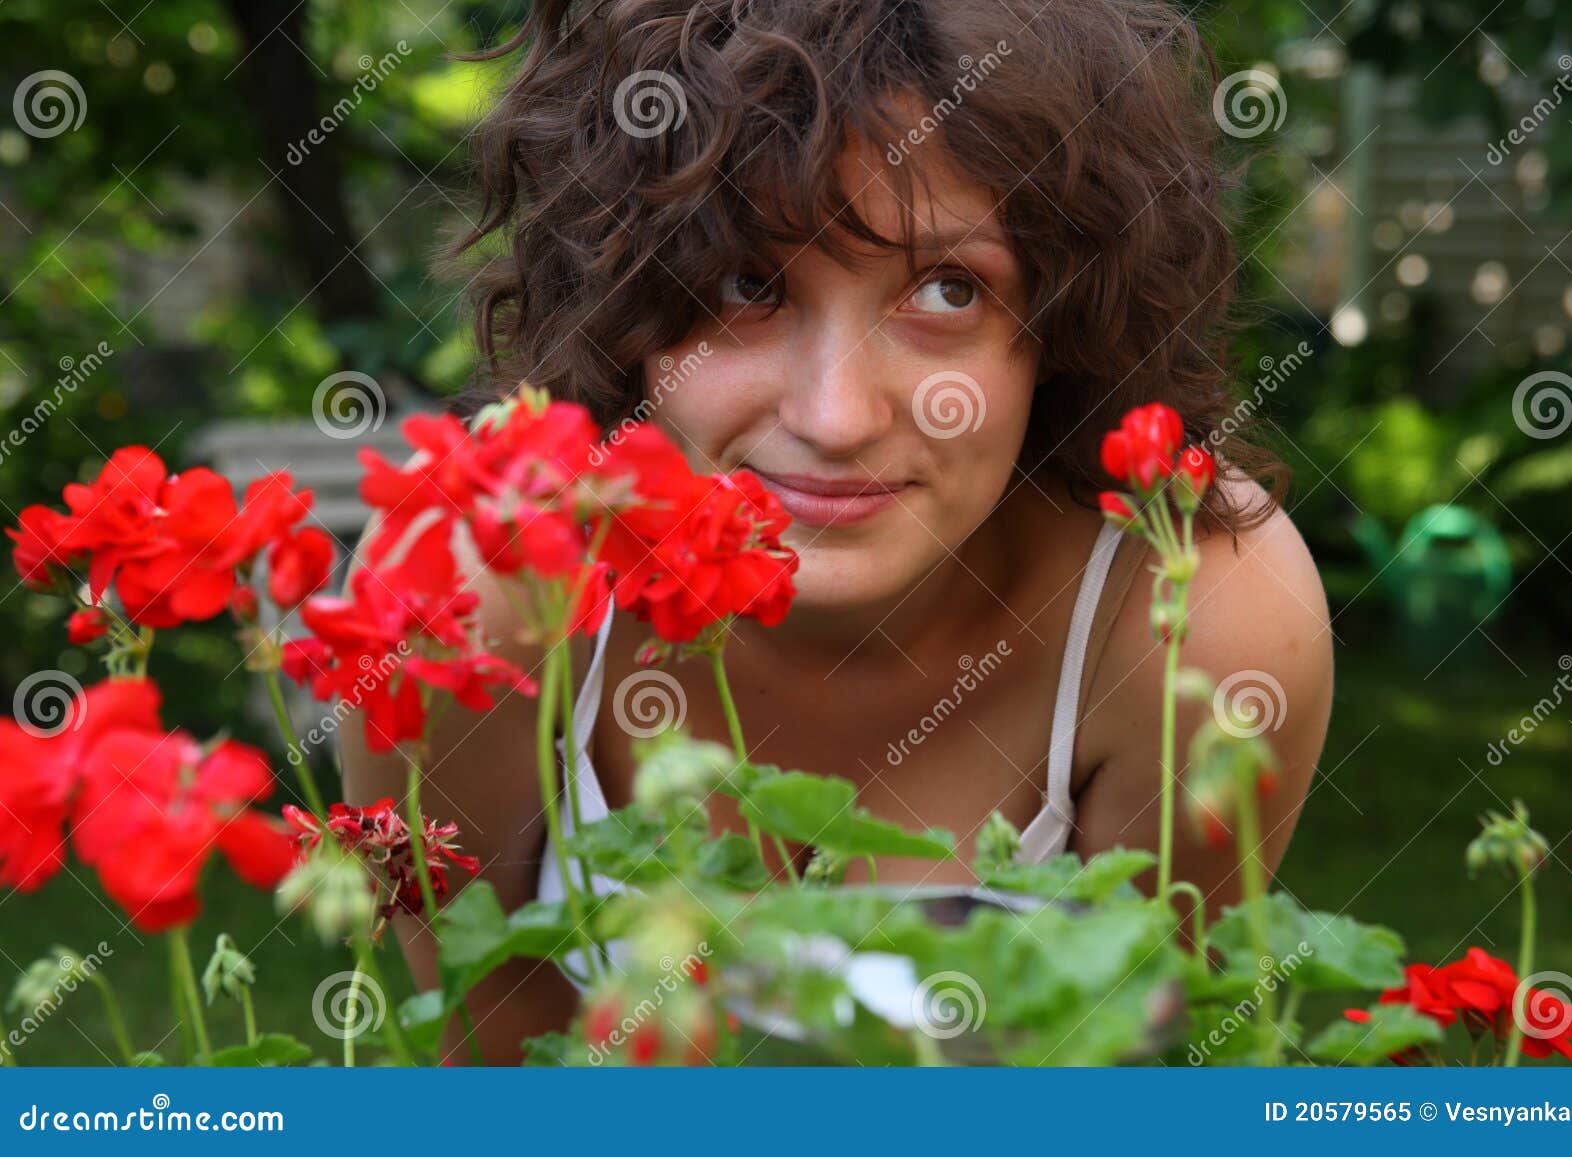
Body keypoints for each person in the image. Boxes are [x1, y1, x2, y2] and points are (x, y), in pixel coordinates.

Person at [342, 0, 1333, 1063]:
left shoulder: (1194, 616)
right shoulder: (472, 590)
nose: (834, 416)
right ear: (620, 301)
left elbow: (1142, 1084)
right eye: (745, 284)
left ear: (1067, 316)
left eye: (948, 289)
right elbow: (506, 1071)